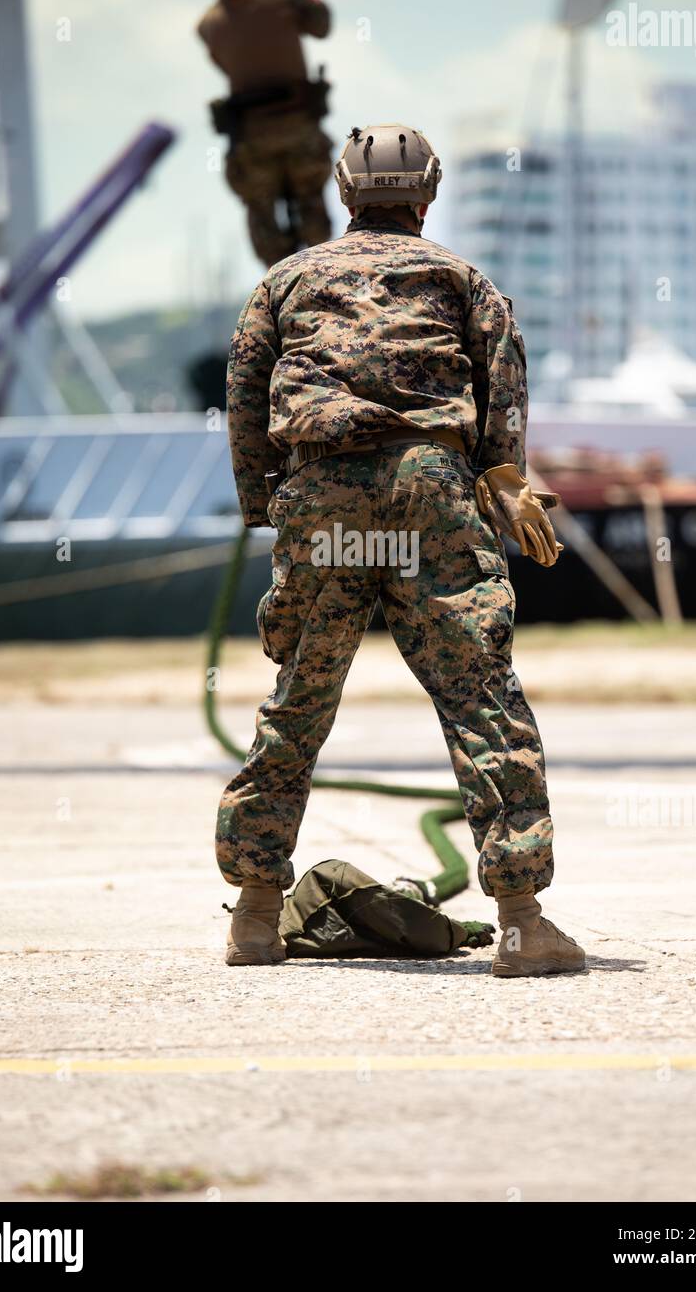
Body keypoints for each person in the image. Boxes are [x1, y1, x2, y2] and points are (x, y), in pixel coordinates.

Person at [216, 123, 585, 979]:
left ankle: (257, 917)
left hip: (323, 496)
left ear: (345, 193)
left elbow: (244, 392)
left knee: (299, 698)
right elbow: (504, 385)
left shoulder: (285, 278)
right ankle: (524, 923)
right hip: (430, 493)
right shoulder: (461, 277)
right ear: (428, 194)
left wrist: (265, 505)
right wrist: (505, 477)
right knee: (480, 697)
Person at [196, 0, 333, 267]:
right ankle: (322, 276)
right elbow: (321, 24)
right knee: (312, 203)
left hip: (251, 140)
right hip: (300, 127)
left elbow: (226, 62)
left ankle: (281, 284)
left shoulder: (208, 24)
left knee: (261, 213)